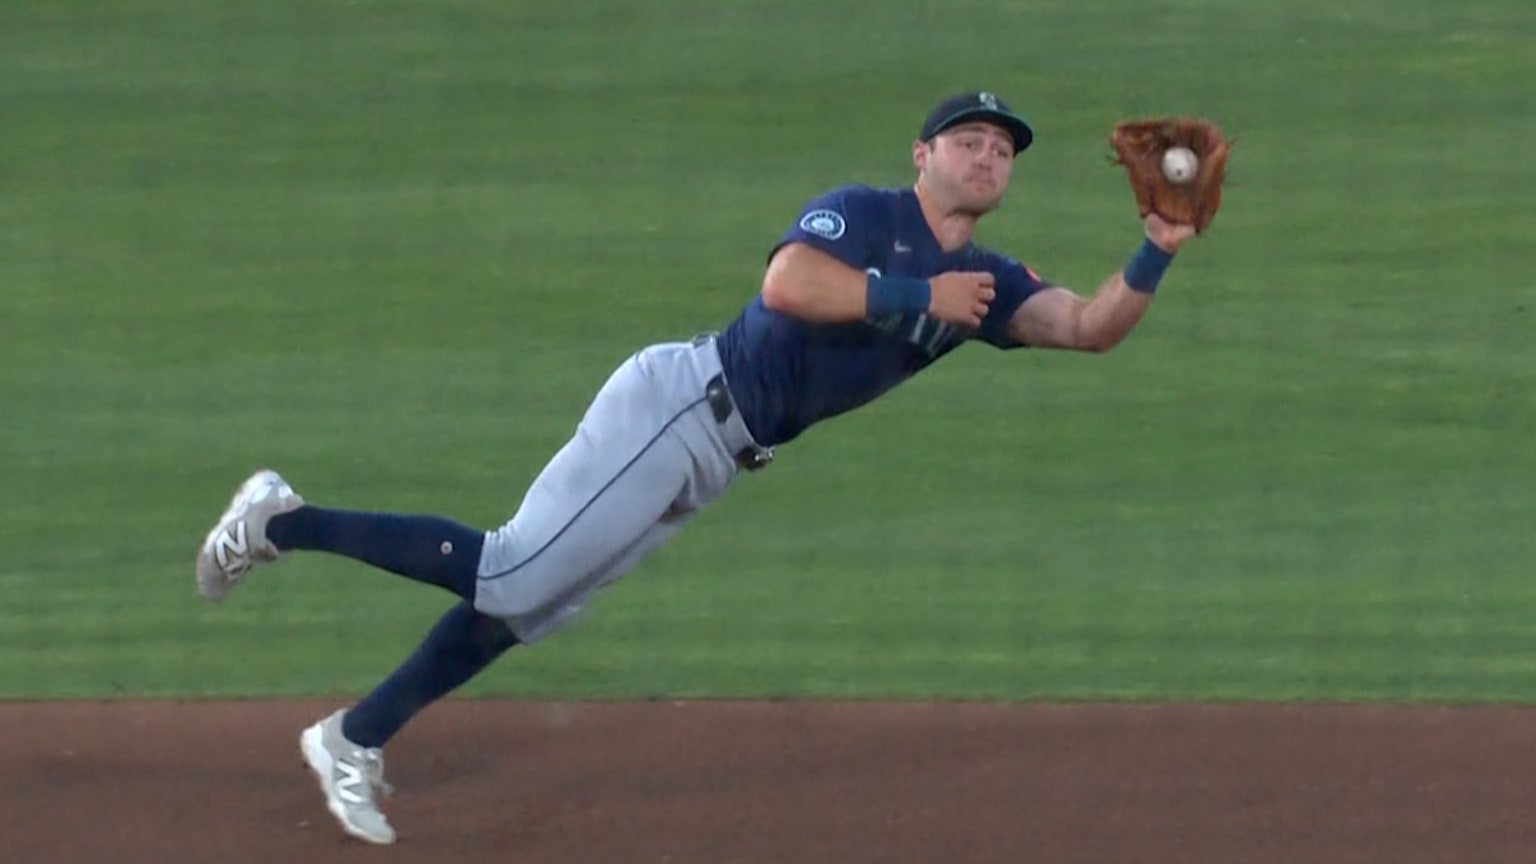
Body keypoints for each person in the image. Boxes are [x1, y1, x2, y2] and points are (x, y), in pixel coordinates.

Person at [194, 91, 1203, 844]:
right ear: (923, 155)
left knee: (526, 609)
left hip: (716, 458)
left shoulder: (989, 279)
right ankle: (278, 520)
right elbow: (788, 282)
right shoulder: (867, 214)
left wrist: (1157, 247)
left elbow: (1088, 326)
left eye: (1001, 150)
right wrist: (912, 297)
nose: (987, 157)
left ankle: (354, 737)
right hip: (679, 404)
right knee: (511, 571)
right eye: (969, 140)